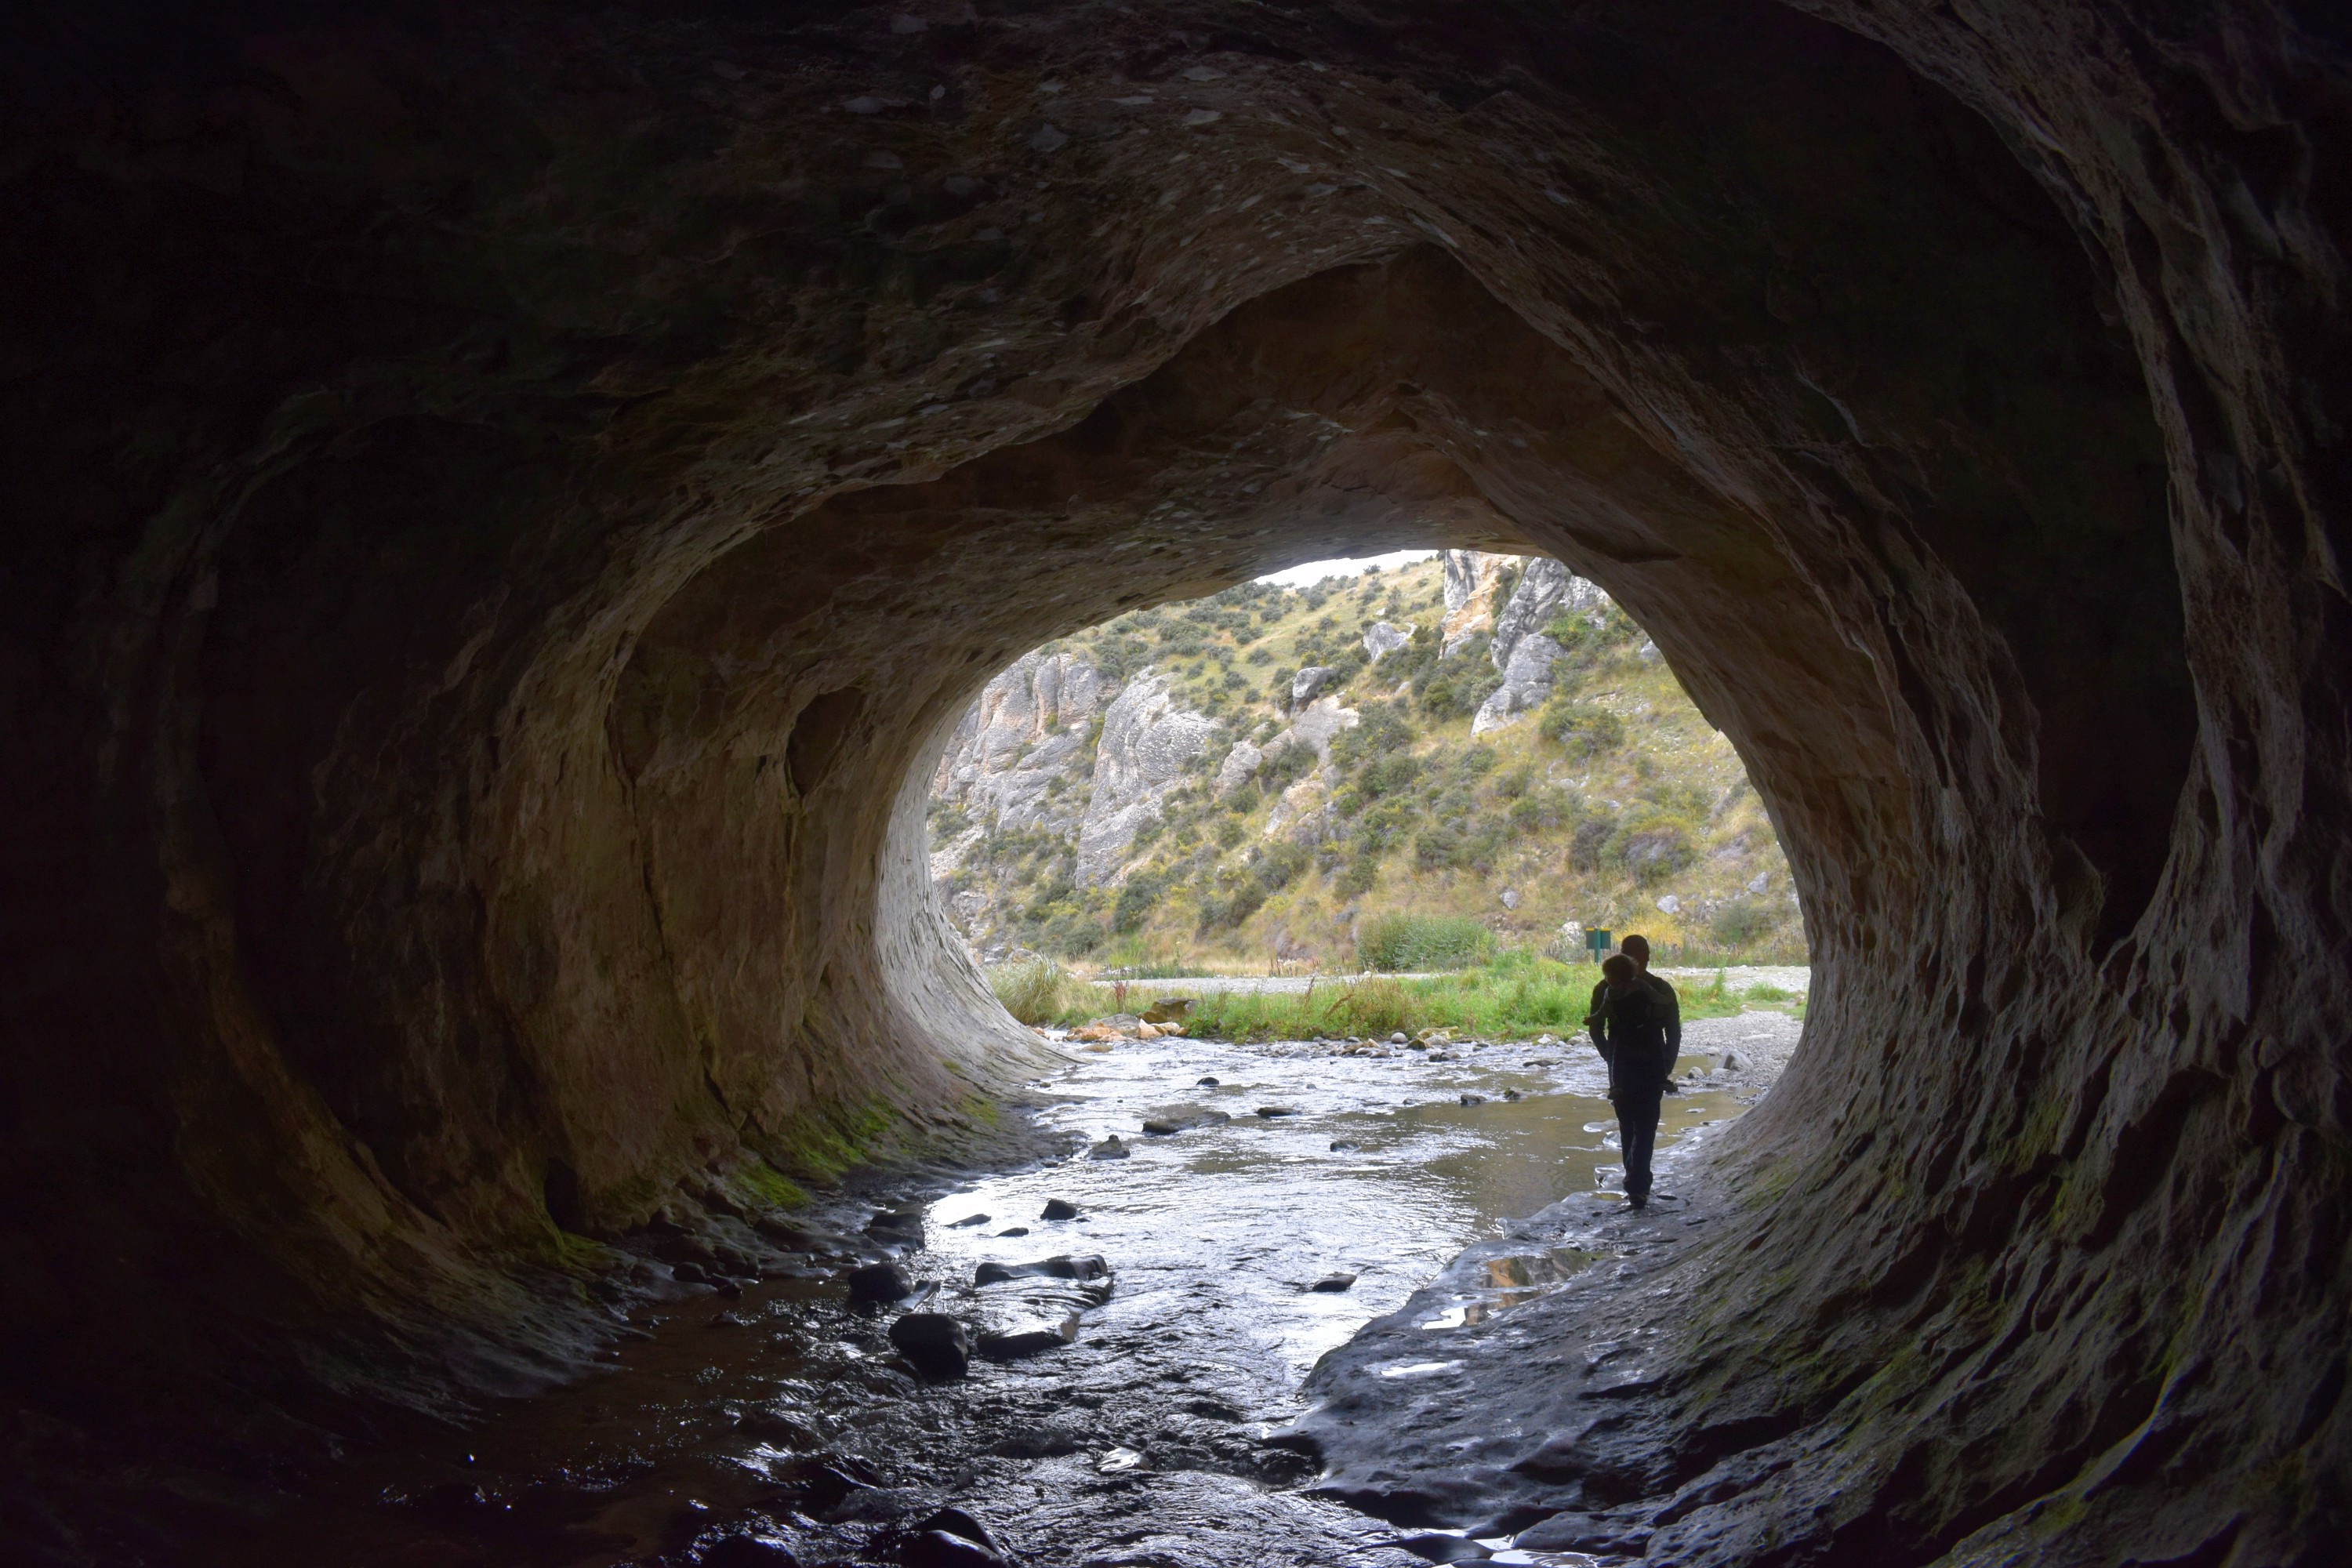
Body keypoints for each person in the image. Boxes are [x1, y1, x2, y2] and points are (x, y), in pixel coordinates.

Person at [1586, 942, 1679, 1207]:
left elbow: (1597, 1028)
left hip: (1634, 1066)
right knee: (1639, 1126)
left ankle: (1636, 1184)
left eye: (1644, 956)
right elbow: (1672, 1030)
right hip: (1644, 1065)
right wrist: (1665, 1066)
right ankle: (1637, 1183)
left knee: (1635, 1126)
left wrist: (1611, 1056)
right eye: (1640, 956)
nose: (1644, 960)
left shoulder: (1613, 987)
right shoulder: (1616, 987)